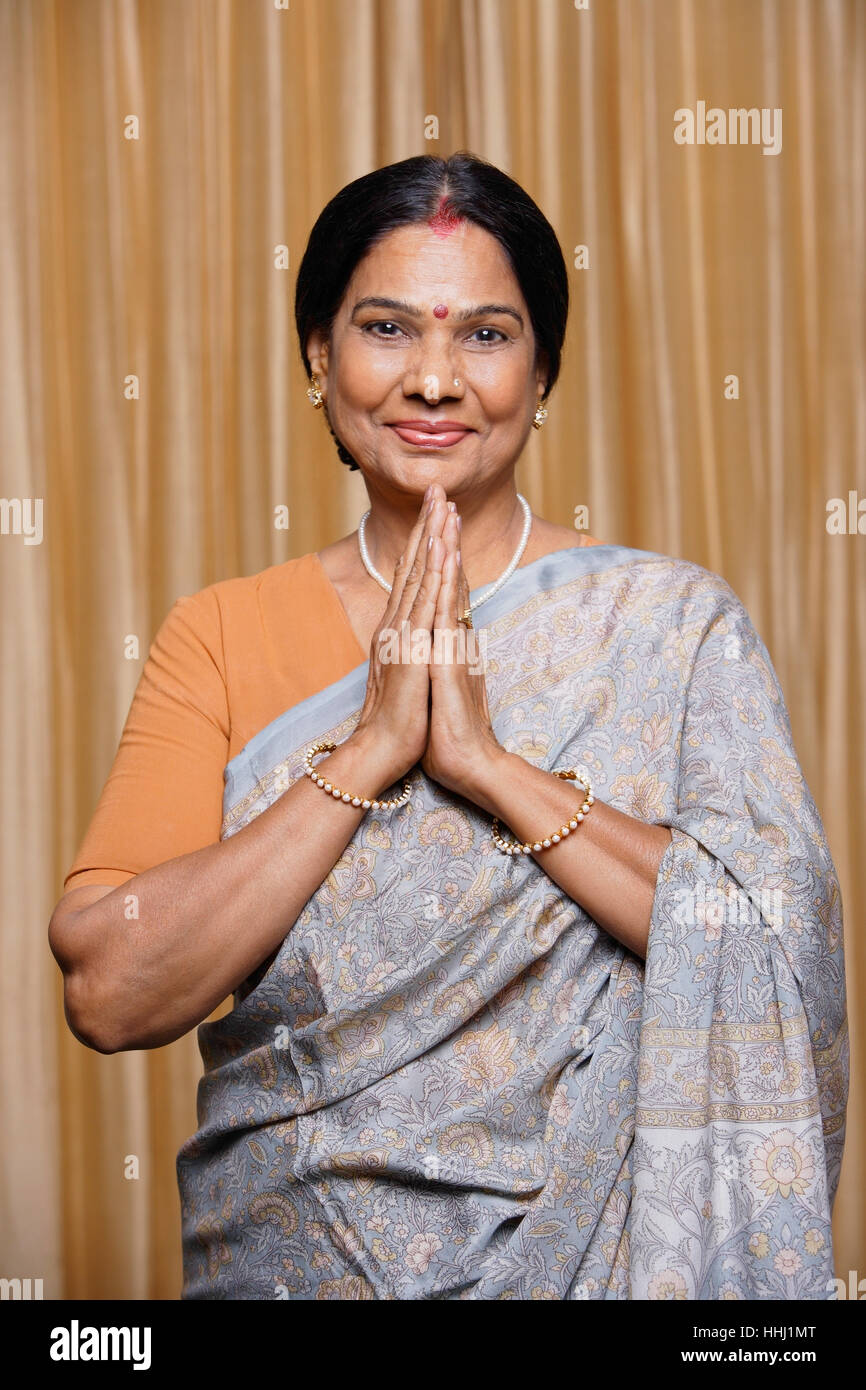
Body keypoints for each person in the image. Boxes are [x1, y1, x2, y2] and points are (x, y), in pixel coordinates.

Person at [50, 152, 848, 1300]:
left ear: (542, 370)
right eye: (385, 329)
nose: (433, 379)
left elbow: (771, 944)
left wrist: (489, 767)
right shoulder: (221, 635)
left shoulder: (669, 625)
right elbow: (110, 988)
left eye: (484, 334)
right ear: (319, 358)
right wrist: (371, 748)